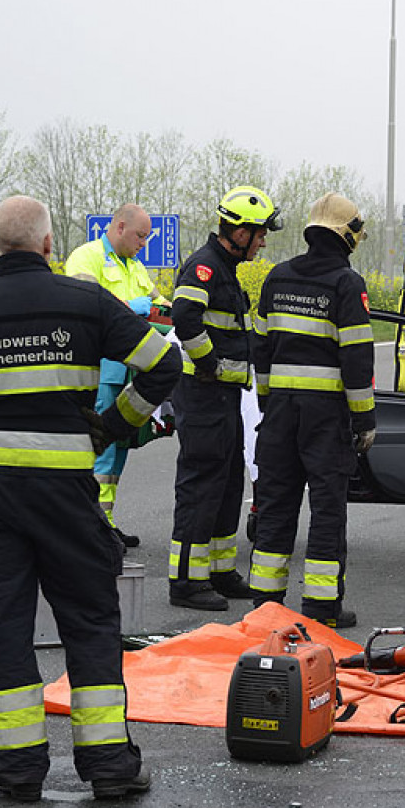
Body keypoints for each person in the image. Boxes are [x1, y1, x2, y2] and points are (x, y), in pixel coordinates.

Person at [0, 196, 179, 801]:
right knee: (91, 622)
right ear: (49, 247)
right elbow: (163, 364)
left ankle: (17, 769)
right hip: (69, 495)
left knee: (5, 628)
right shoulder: (86, 301)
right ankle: (110, 769)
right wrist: (113, 423)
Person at [247, 193, 376, 629]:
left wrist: (268, 401)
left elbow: (260, 348)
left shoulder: (277, 277)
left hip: (280, 412)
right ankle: (322, 609)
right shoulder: (346, 283)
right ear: (348, 235)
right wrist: (364, 420)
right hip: (325, 417)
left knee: (276, 506)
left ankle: (265, 605)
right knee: (326, 510)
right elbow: (357, 359)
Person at [168, 186, 280, 611]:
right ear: (238, 231)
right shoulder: (204, 267)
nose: (263, 241)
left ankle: (217, 569)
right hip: (203, 394)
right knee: (200, 483)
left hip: (222, 396)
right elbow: (183, 318)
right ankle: (186, 580)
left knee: (228, 480)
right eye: (259, 233)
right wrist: (210, 364)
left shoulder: (225, 268)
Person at [65, 204, 165, 549]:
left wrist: (165, 309)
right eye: (140, 236)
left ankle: (105, 520)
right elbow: (85, 305)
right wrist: (129, 306)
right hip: (102, 368)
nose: (144, 243)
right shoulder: (86, 257)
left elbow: (157, 303)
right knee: (100, 446)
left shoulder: (135, 266)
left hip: (131, 369)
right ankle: (93, 525)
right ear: (120, 227)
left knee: (120, 445)